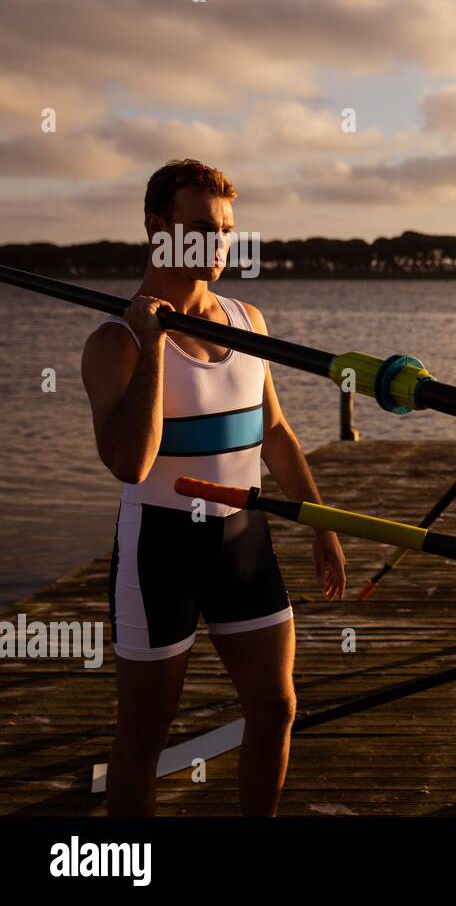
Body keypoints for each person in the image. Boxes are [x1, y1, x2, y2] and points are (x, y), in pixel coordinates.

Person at [81, 159, 347, 816]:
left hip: (242, 542)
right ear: (156, 229)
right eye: (200, 227)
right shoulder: (112, 343)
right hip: (160, 551)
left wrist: (320, 523)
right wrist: (151, 345)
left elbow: (277, 433)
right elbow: (130, 464)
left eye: (226, 230)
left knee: (276, 706)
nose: (218, 243)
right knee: (144, 736)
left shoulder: (247, 319)